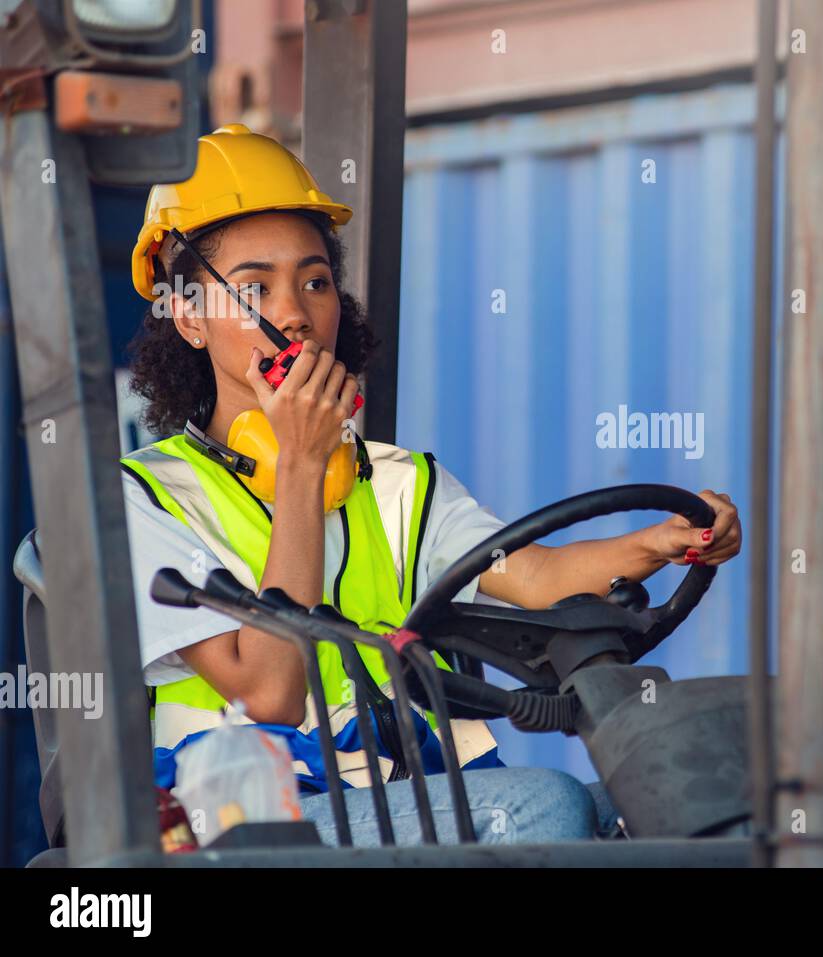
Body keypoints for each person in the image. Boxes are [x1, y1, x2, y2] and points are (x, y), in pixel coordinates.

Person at [119, 124, 743, 846]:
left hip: (419, 803)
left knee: (679, 805)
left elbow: (539, 575)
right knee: (544, 809)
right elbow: (270, 692)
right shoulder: (147, 498)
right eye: (255, 287)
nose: (293, 312)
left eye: (315, 280)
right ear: (189, 315)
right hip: (255, 823)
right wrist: (298, 465)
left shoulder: (399, 481)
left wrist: (663, 541)